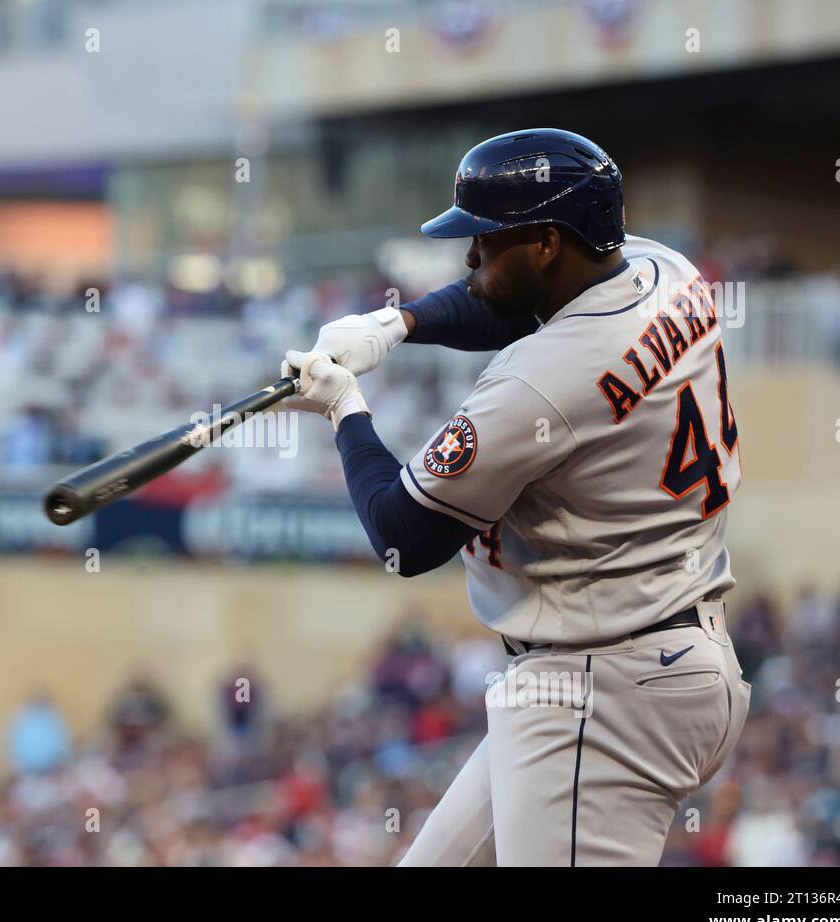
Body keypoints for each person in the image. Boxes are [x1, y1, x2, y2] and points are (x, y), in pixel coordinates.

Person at [281, 128, 751, 866]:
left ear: (546, 244)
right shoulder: (666, 268)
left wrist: (346, 411)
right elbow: (517, 303)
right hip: (659, 653)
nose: (470, 257)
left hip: (602, 690)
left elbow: (404, 536)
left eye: (487, 239)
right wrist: (399, 322)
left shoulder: (540, 382)